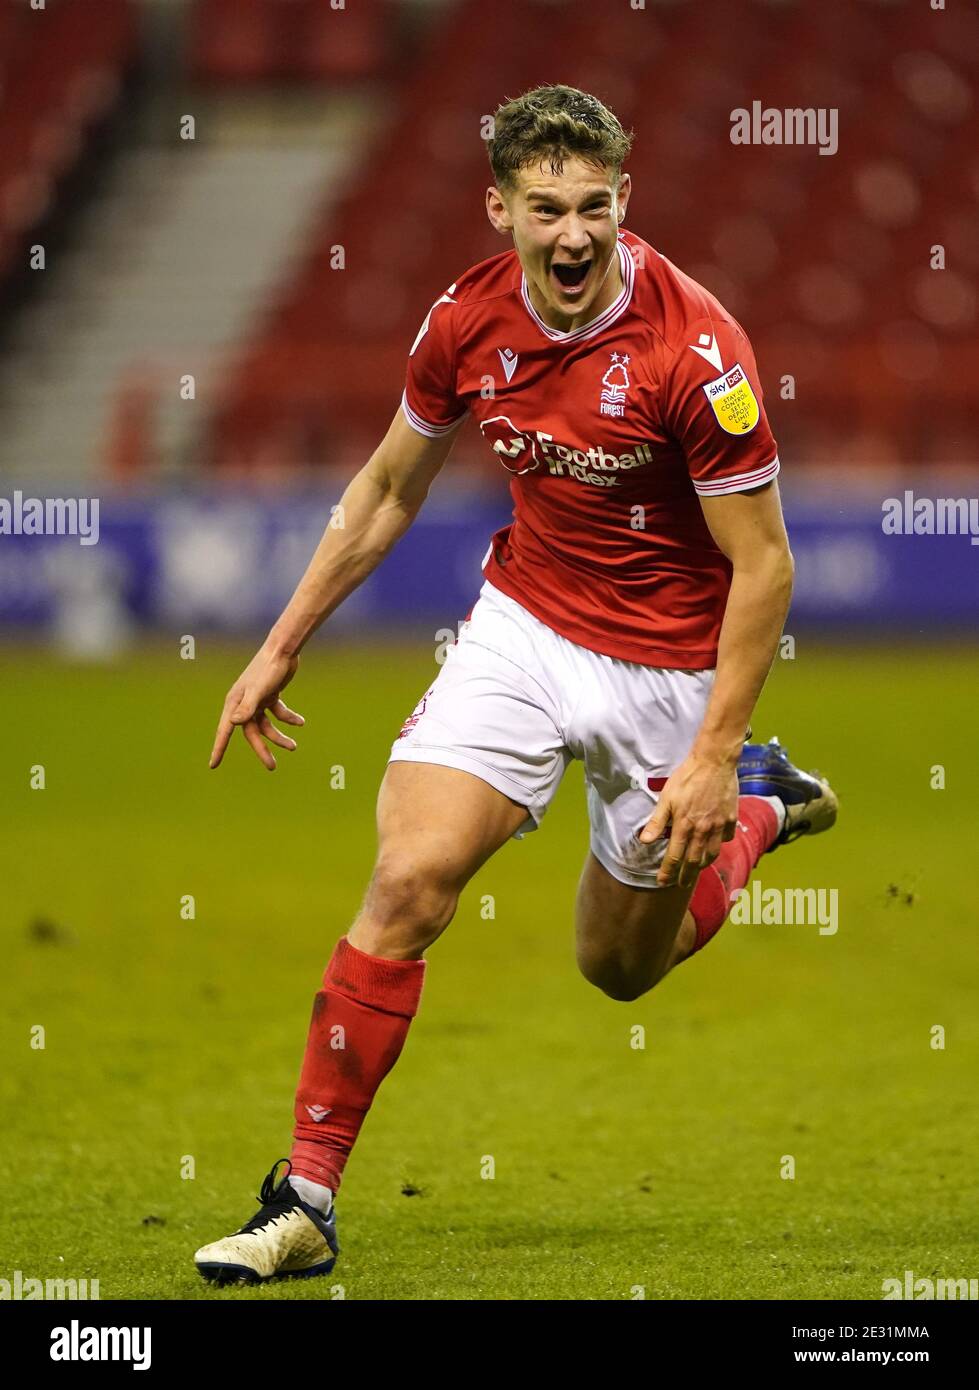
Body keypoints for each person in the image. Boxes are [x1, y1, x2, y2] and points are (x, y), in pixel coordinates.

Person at [194, 84, 837, 1285]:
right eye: (546, 209)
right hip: (525, 630)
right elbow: (389, 488)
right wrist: (282, 639)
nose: (574, 234)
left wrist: (706, 754)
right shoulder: (463, 322)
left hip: (669, 667)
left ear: (623, 201)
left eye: (595, 205)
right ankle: (305, 1200)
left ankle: (755, 803)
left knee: (617, 968)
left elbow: (765, 565)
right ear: (500, 209)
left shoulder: (697, 350)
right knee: (408, 877)